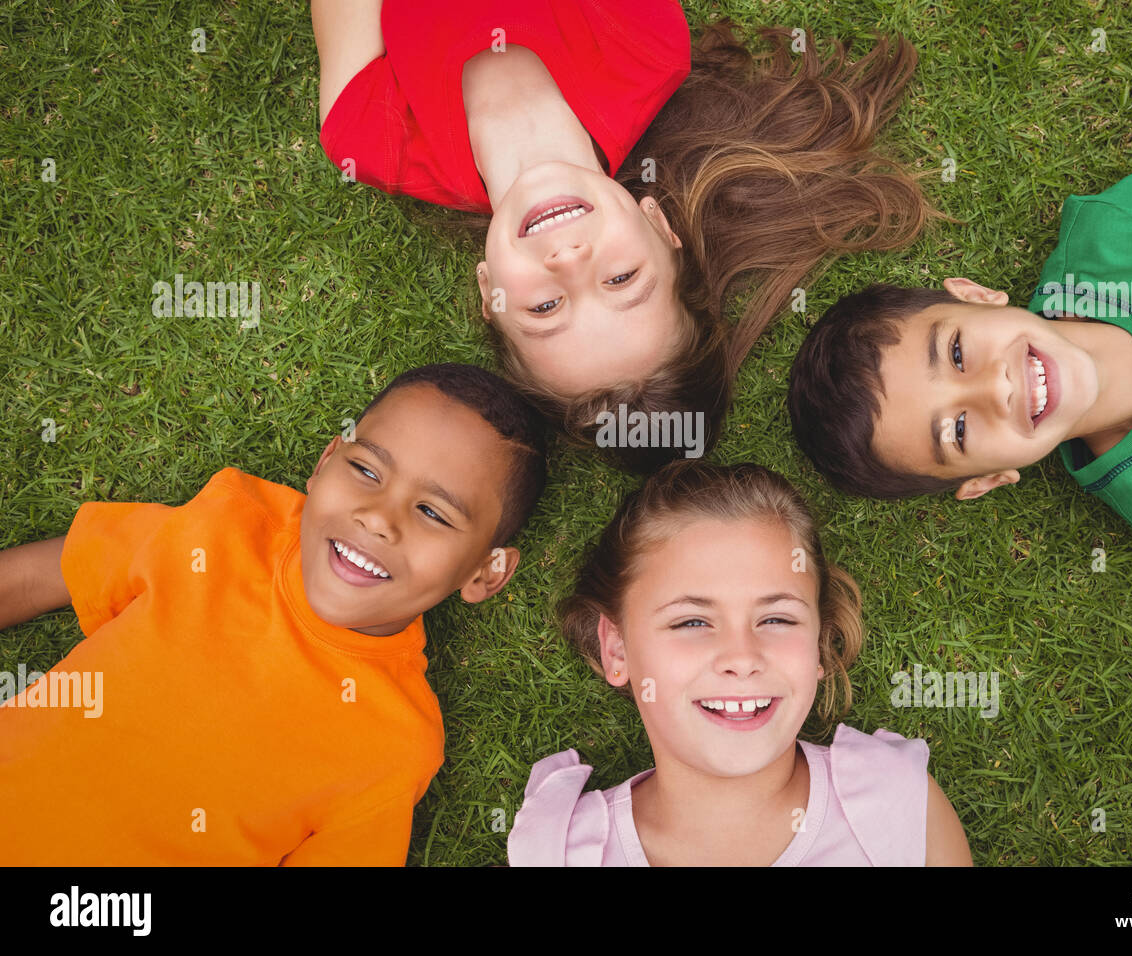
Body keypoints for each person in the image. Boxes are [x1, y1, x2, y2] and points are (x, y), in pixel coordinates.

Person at [312, 0, 933, 471]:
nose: (569, 259)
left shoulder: (371, 141)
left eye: (546, 306)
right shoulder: (646, 48)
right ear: (660, 225)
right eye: (620, 279)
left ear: (488, 291)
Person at [0, 363, 547, 864]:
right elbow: (39, 574)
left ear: (486, 572)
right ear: (325, 462)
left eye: (432, 511)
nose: (378, 518)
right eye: (366, 470)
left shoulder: (396, 745)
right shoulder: (225, 529)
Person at [787, 153, 1132, 573]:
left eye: (957, 353)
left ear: (977, 294)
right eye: (958, 431)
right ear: (987, 479)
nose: (995, 390)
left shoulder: (1121, 229)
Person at [507, 461, 972, 865]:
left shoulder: (898, 806)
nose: (742, 658)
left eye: (776, 618)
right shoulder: (560, 852)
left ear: (818, 645)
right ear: (617, 650)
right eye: (691, 622)